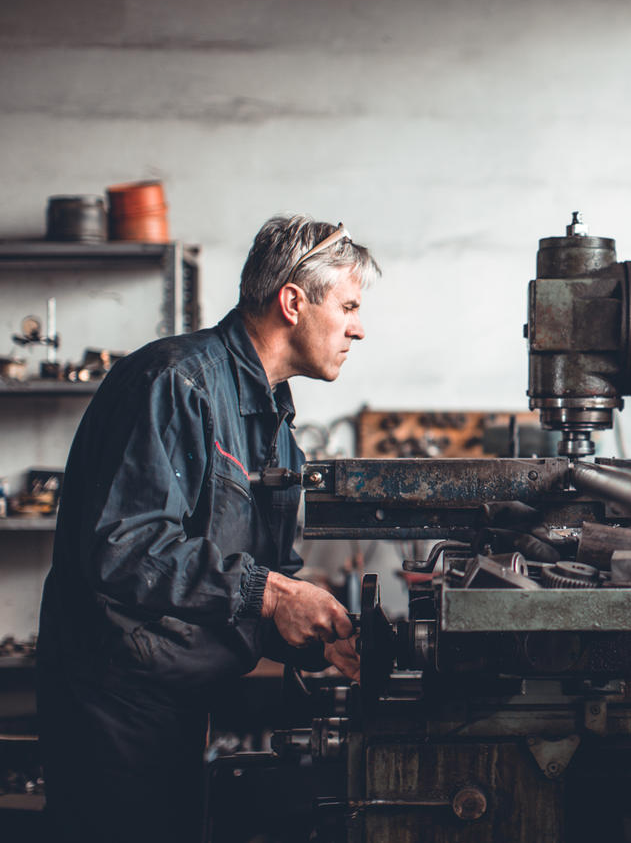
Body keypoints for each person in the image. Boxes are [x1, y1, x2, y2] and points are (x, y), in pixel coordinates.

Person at [36, 215, 379, 842]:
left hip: (178, 701)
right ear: (293, 302)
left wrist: (312, 639)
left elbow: (244, 572)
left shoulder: (273, 421)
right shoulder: (176, 382)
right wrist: (274, 595)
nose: (359, 327)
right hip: (115, 711)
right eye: (349, 305)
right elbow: (126, 548)